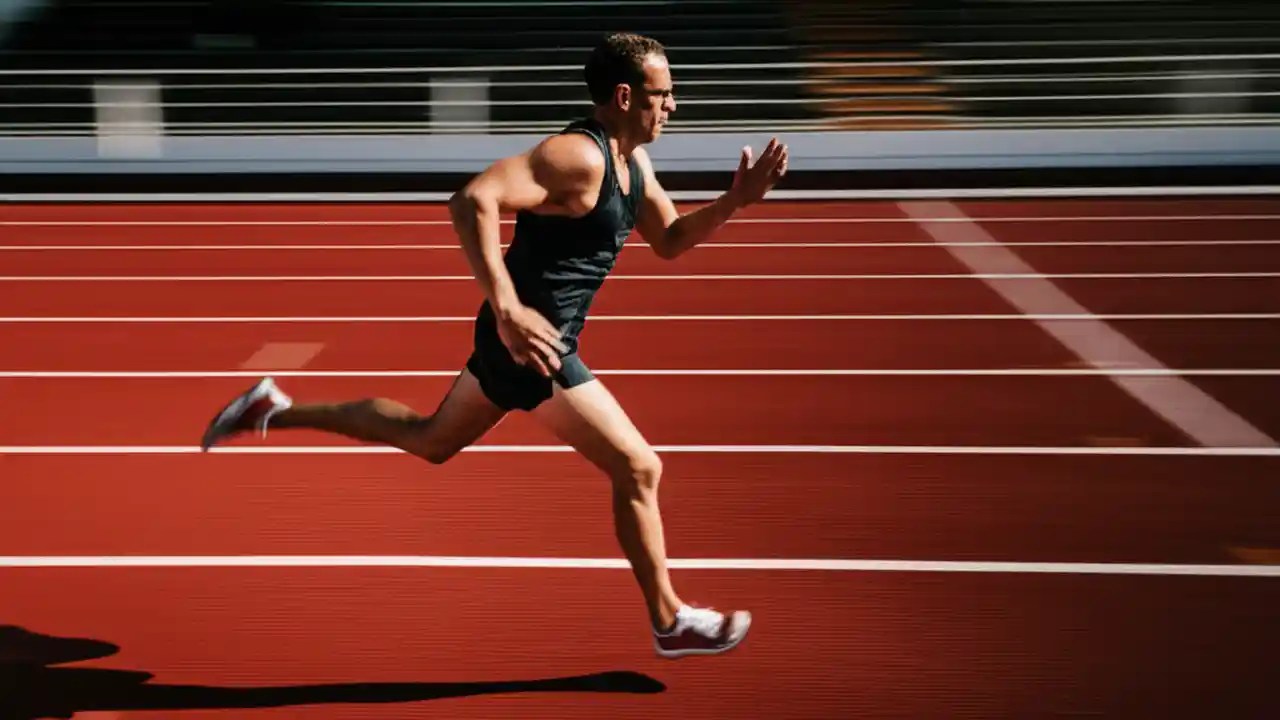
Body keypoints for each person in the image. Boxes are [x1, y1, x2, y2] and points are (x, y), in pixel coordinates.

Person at [200, 32, 789, 658]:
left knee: (431, 440)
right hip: (530, 345)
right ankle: (669, 619)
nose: (672, 106)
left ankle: (273, 408)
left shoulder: (629, 162)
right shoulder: (579, 159)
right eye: (663, 94)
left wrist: (733, 203)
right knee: (638, 466)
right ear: (625, 95)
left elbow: (669, 239)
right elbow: (472, 200)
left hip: (530, 339)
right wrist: (507, 309)